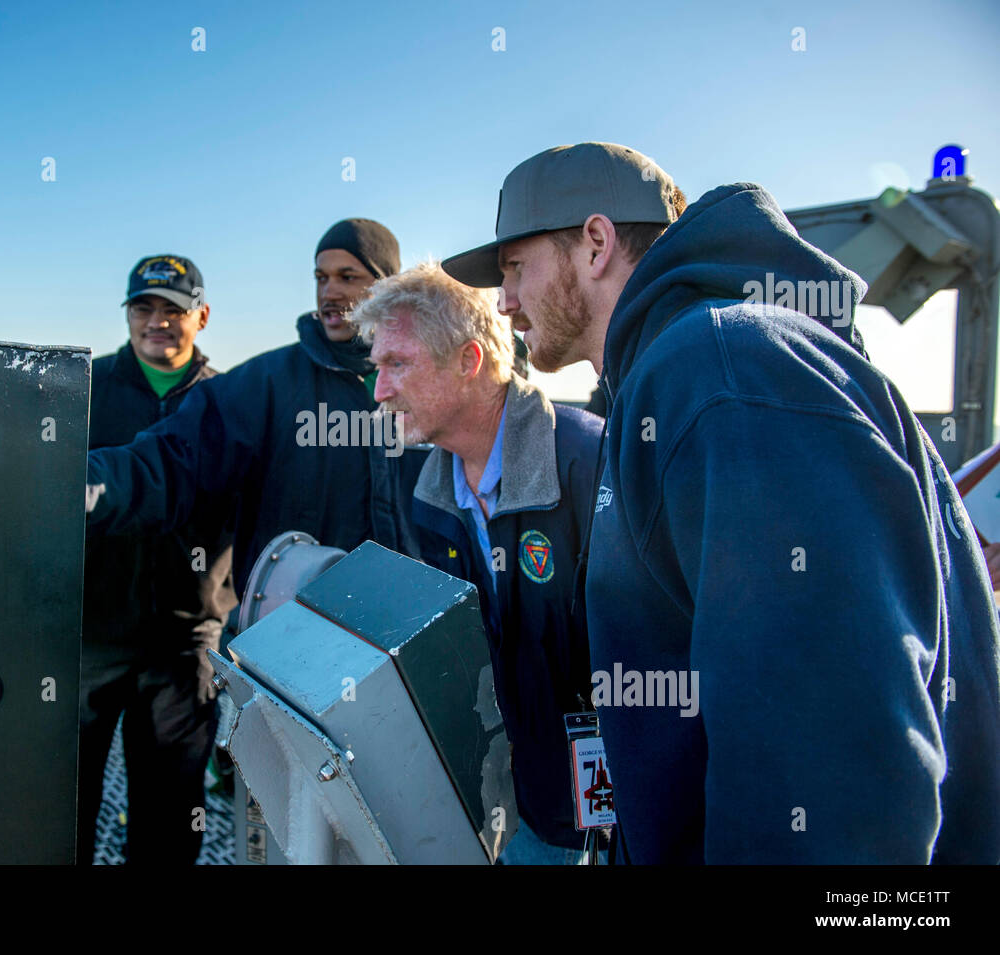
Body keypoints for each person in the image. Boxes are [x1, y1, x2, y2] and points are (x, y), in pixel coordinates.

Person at [442, 141, 1000, 863]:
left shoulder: (720, 373)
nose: (504, 301)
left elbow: (831, 775)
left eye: (516, 268)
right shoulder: (688, 372)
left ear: (596, 242)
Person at [350, 260, 603, 863]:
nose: (380, 390)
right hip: (503, 801)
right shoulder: (431, 490)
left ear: (469, 361)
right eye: (377, 368)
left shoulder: (589, 463)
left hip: (599, 814)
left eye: (398, 364)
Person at [85, 219, 422, 593]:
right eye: (320, 277)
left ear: (386, 285)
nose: (330, 293)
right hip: (290, 628)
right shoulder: (266, 383)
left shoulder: (427, 380)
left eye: (347, 277)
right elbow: (172, 456)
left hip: (403, 624)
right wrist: (74, 481)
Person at [79, 254, 235, 865]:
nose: (156, 322)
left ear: (201, 316)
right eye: (143, 308)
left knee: (171, 815)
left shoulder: (229, 403)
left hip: (184, 639)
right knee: (64, 799)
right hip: (87, 635)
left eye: (173, 310)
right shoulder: (80, 392)